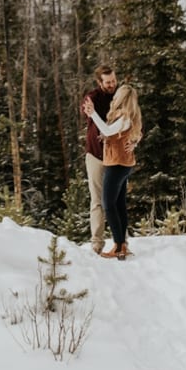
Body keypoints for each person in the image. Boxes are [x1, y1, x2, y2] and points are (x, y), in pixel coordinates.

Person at [98, 84, 143, 261]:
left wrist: (92, 114)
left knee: (108, 204)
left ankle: (118, 245)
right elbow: (137, 134)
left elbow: (107, 131)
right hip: (123, 164)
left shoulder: (124, 118)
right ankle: (122, 244)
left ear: (121, 98)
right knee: (119, 204)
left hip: (117, 164)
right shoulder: (130, 116)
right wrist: (135, 142)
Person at [78, 65, 119, 254]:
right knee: (97, 199)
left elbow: (134, 117)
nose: (112, 84)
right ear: (99, 82)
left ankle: (120, 240)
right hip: (95, 154)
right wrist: (88, 110)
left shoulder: (121, 96)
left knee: (116, 199)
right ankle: (96, 242)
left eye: (113, 80)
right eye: (108, 82)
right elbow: (86, 107)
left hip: (116, 155)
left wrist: (136, 138)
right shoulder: (93, 97)